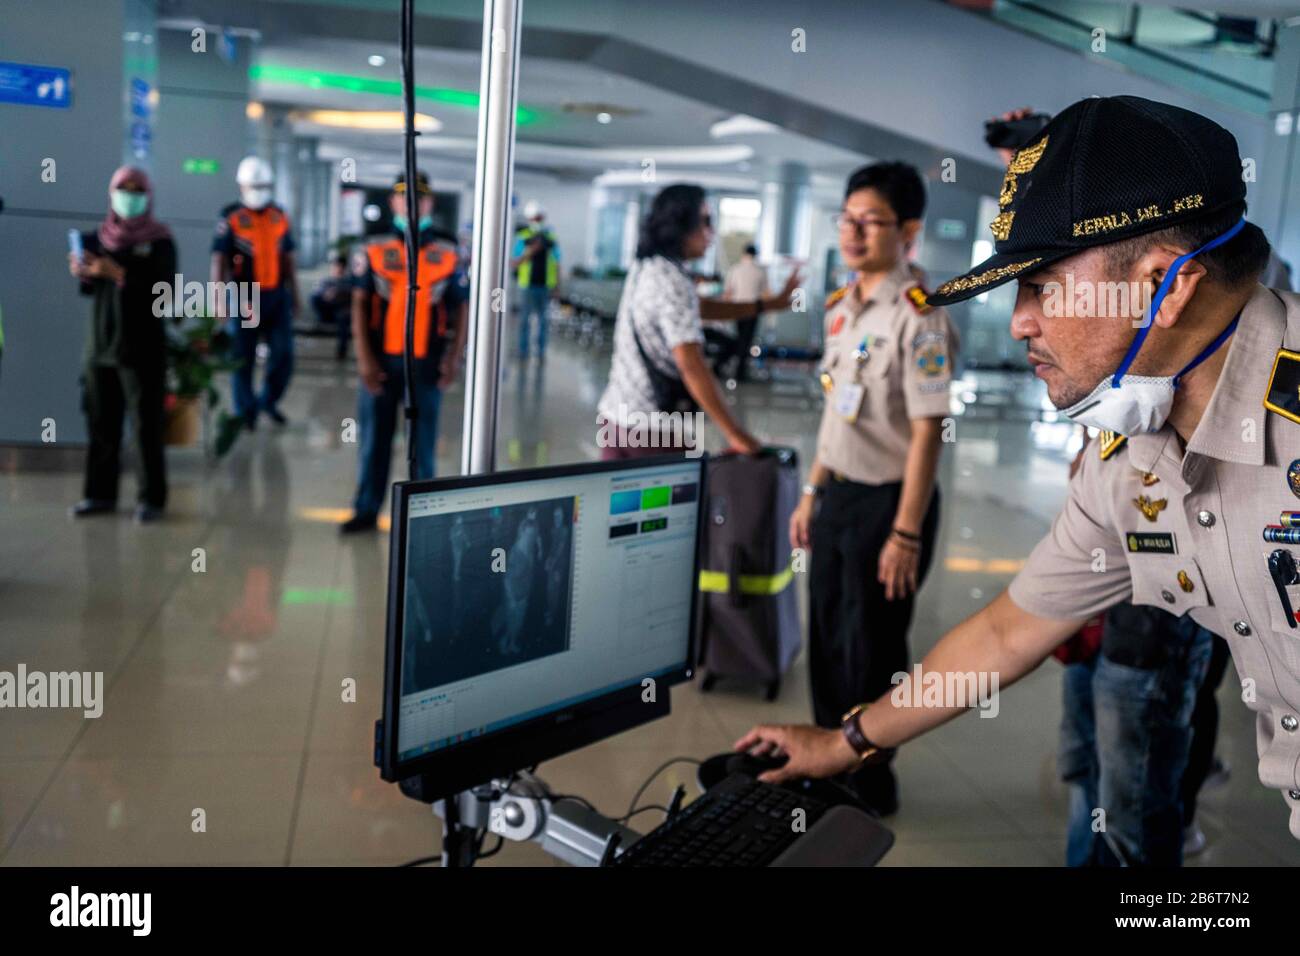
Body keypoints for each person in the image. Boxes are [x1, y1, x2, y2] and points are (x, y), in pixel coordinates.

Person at [735, 96, 1300, 846]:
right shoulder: (1128, 457)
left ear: (1164, 284)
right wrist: (847, 742)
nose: (1019, 321)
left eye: (1041, 286)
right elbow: (1008, 631)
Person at [786, 162, 956, 816]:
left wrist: (905, 533)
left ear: (907, 230)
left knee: (874, 645)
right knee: (828, 634)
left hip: (891, 504)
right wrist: (811, 492)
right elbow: (837, 412)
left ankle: (872, 777)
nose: (853, 232)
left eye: (870, 221)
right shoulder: (843, 305)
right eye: (847, 218)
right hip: (838, 497)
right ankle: (829, 760)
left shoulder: (922, 317)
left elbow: (927, 431)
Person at [596, 183, 799, 459]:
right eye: (705, 221)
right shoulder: (672, 279)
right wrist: (735, 433)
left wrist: (766, 305)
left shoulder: (647, 266)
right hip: (654, 429)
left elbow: (698, 308)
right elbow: (691, 364)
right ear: (680, 225)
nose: (711, 232)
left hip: (615, 418)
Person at [339, 171, 468, 534]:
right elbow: (360, 305)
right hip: (381, 363)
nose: (412, 204)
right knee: (373, 442)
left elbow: (462, 308)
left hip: (426, 365)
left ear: (430, 204)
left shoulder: (447, 253)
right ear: (393, 202)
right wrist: (364, 359)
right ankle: (366, 510)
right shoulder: (374, 248)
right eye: (404, 197)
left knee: (424, 446)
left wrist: (453, 358)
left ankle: (424, 517)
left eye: (420, 198)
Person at [68, 166, 176, 523]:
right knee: (101, 422)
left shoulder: (160, 241)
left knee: (145, 425)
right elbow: (90, 291)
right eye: (123, 190)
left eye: (136, 191)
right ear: (111, 193)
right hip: (100, 344)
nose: (130, 197)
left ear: (148, 196)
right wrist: (83, 271)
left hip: (142, 348)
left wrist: (119, 274)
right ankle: (99, 494)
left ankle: (151, 499)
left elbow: (166, 295)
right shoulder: (98, 239)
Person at [211, 155, 299, 432]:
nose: (258, 191)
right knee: (243, 357)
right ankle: (245, 411)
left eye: (263, 186)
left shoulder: (279, 215)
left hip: (276, 295)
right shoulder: (231, 217)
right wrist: (218, 299)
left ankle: (268, 402)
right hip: (244, 295)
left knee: (283, 354)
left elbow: (288, 258)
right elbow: (219, 261)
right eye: (253, 186)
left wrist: (294, 294)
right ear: (241, 186)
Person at [511, 200, 560, 360]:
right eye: (535, 218)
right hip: (526, 285)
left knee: (543, 321)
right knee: (524, 320)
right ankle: (523, 350)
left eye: (540, 218)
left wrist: (557, 286)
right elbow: (514, 262)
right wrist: (531, 250)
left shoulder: (550, 238)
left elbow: (558, 262)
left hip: (545, 285)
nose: (537, 221)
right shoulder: (522, 237)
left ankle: (540, 352)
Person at [722, 243, 769, 382]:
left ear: (744, 253)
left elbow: (728, 292)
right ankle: (740, 371)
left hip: (737, 309)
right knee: (746, 341)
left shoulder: (735, 269)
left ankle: (735, 368)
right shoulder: (760, 271)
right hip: (753, 310)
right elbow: (766, 293)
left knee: (739, 339)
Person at [310, 254, 353, 361]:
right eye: (336, 266)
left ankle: (341, 352)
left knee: (343, 317)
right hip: (327, 311)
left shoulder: (349, 282)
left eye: (340, 266)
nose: (338, 269)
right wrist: (328, 295)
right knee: (315, 297)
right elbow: (318, 296)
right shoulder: (326, 281)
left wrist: (341, 295)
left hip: (341, 314)